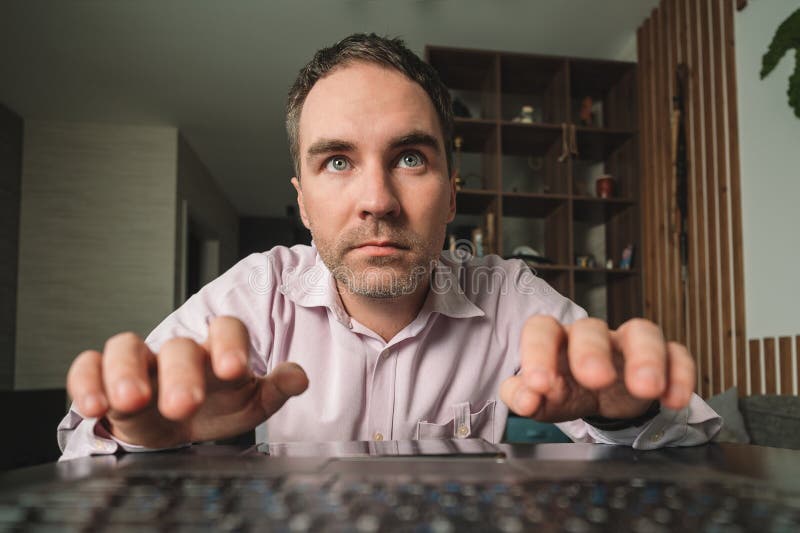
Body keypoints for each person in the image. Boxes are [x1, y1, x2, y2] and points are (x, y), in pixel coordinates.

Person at [58, 33, 720, 460]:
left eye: (408, 156)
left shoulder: (513, 296)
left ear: (453, 197)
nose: (376, 199)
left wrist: (628, 418)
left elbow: (700, 440)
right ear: (303, 205)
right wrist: (138, 436)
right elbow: (79, 442)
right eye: (338, 162)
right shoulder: (257, 292)